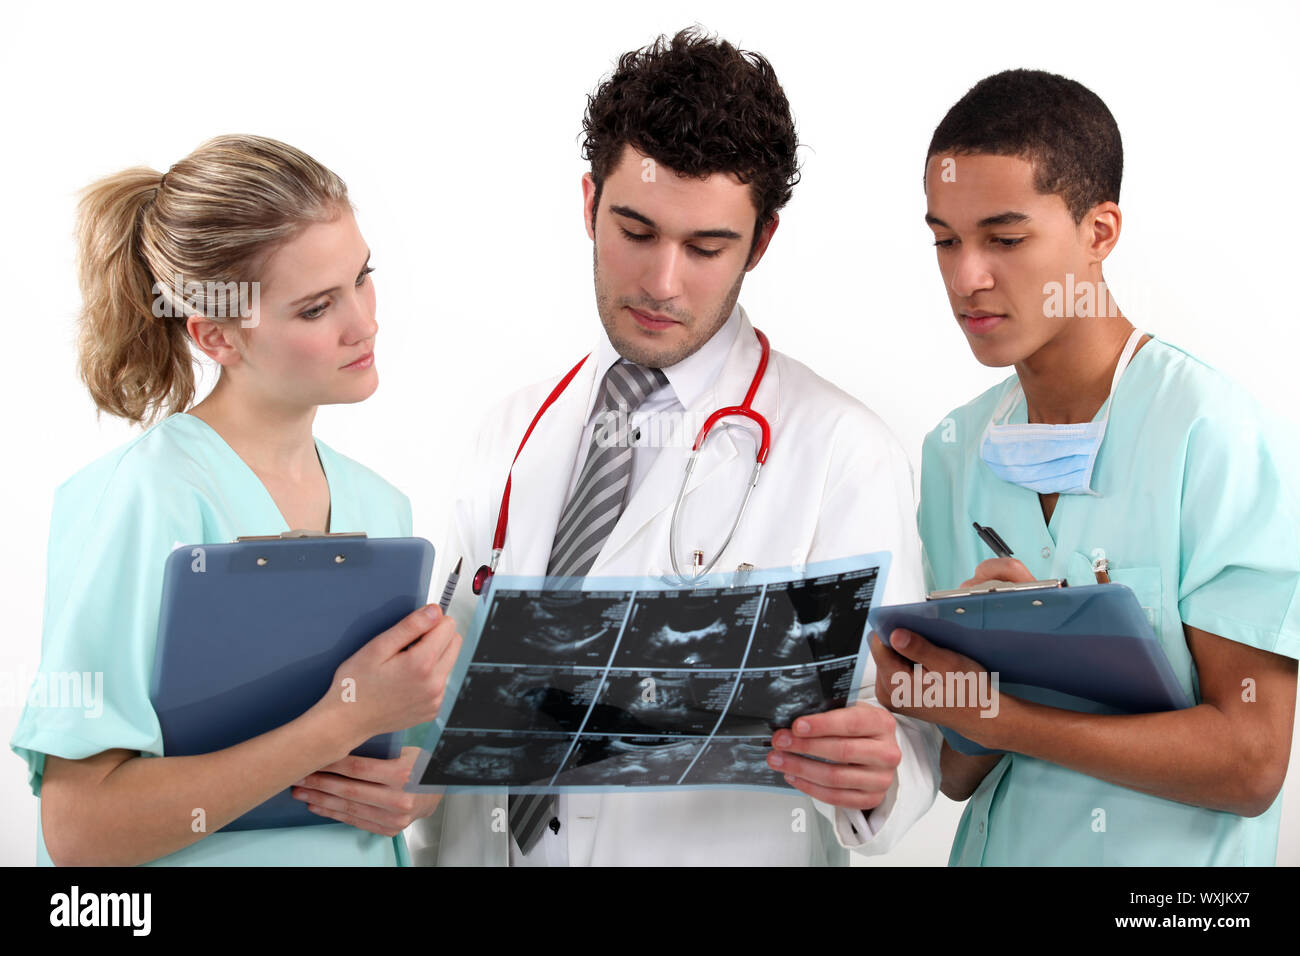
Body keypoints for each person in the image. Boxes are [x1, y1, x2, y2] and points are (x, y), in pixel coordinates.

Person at [402, 27, 941, 866]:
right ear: (588, 204)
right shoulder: (512, 431)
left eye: (705, 247)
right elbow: (449, 698)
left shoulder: (842, 451)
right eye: (636, 230)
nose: (661, 282)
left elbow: (899, 732)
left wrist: (876, 768)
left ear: (760, 243)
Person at [872, 69, 1299, 865]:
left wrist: (1005, 715)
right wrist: (948, 689)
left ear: (1099, 232)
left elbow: (1251, 762)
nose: (968, 277)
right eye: (945, 239)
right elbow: (960, 774)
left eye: (1004, 238)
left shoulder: (1214, 437)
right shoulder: (955, 451)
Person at [10, 134, 461, 866]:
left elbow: (393, 761)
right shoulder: (147, 499)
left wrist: (419, 787)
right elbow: (79, 831)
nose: (364, 323)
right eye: (316, 309)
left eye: (362, 277)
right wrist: (340, 718)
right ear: (216, 336)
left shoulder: (381, 509)